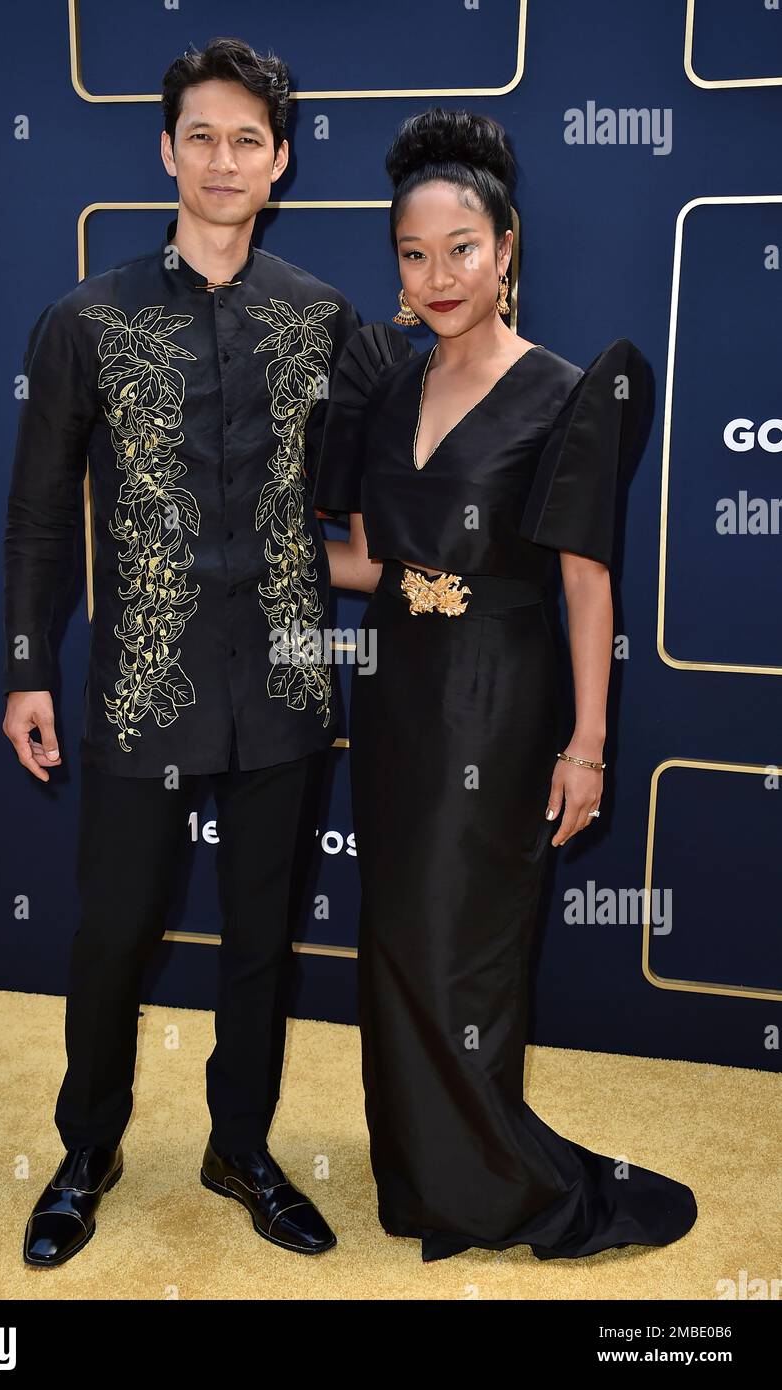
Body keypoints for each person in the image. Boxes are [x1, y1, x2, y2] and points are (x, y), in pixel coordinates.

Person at [312, 108, 698, 1262]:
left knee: (459, 942)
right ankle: (424, 1175)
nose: (437, 276)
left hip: (499, 694)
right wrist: (236, 550)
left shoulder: (565, 392)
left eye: (461, 249)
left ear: (506, 247)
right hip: (393, 691)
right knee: (395, 937)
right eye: (413, 255)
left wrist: (585, 744)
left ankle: (493, 1181)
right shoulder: (385, 390)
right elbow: (374, 560)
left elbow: (585, 581)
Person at [2, 37, 359, 1266]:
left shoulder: (320, 318)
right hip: (142, 684)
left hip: (284, 679)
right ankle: (86, 1147)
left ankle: (240, 1148)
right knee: (115, 934)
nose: (221, 159)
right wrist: (21, 668)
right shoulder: (84, 320)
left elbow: (384, 480)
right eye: (199, 136)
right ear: (165, 151)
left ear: (280, 163)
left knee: (263, 937)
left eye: (245, 140)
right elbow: (41, 511)